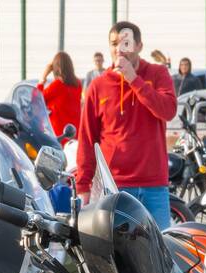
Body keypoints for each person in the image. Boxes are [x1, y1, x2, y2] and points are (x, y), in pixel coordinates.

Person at [75, 20, 177, 227]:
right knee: (117, 255)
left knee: (160, 253)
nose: (119, 49)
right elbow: (87, 138)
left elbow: (168, 110)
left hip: (153, 185)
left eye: (126, 43)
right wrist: (83, 186)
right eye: (114, 43)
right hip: (114, 186)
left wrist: (133, 79)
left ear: (139, 46)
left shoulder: (157, 74)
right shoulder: (98, 85)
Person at [38, 51, 82, 140]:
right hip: (74, 133)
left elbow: (36, 99)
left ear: (56, 68)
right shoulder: (78, 84)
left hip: (59, 136)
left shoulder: (58, 85)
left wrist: (43, 77)